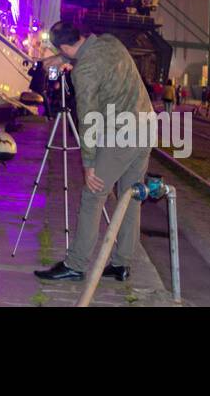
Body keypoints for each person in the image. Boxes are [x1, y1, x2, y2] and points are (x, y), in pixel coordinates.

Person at [34, 23, 154, 285]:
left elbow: (88, 119)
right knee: (130, 197)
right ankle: (122, 264)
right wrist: (63, 57)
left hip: (122, 133)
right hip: (146, 127)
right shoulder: (110, 41)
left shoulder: (84, 71)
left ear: (64, 46)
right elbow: (88, 50)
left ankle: (75, 265)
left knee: (93, 196)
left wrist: (88, 163)